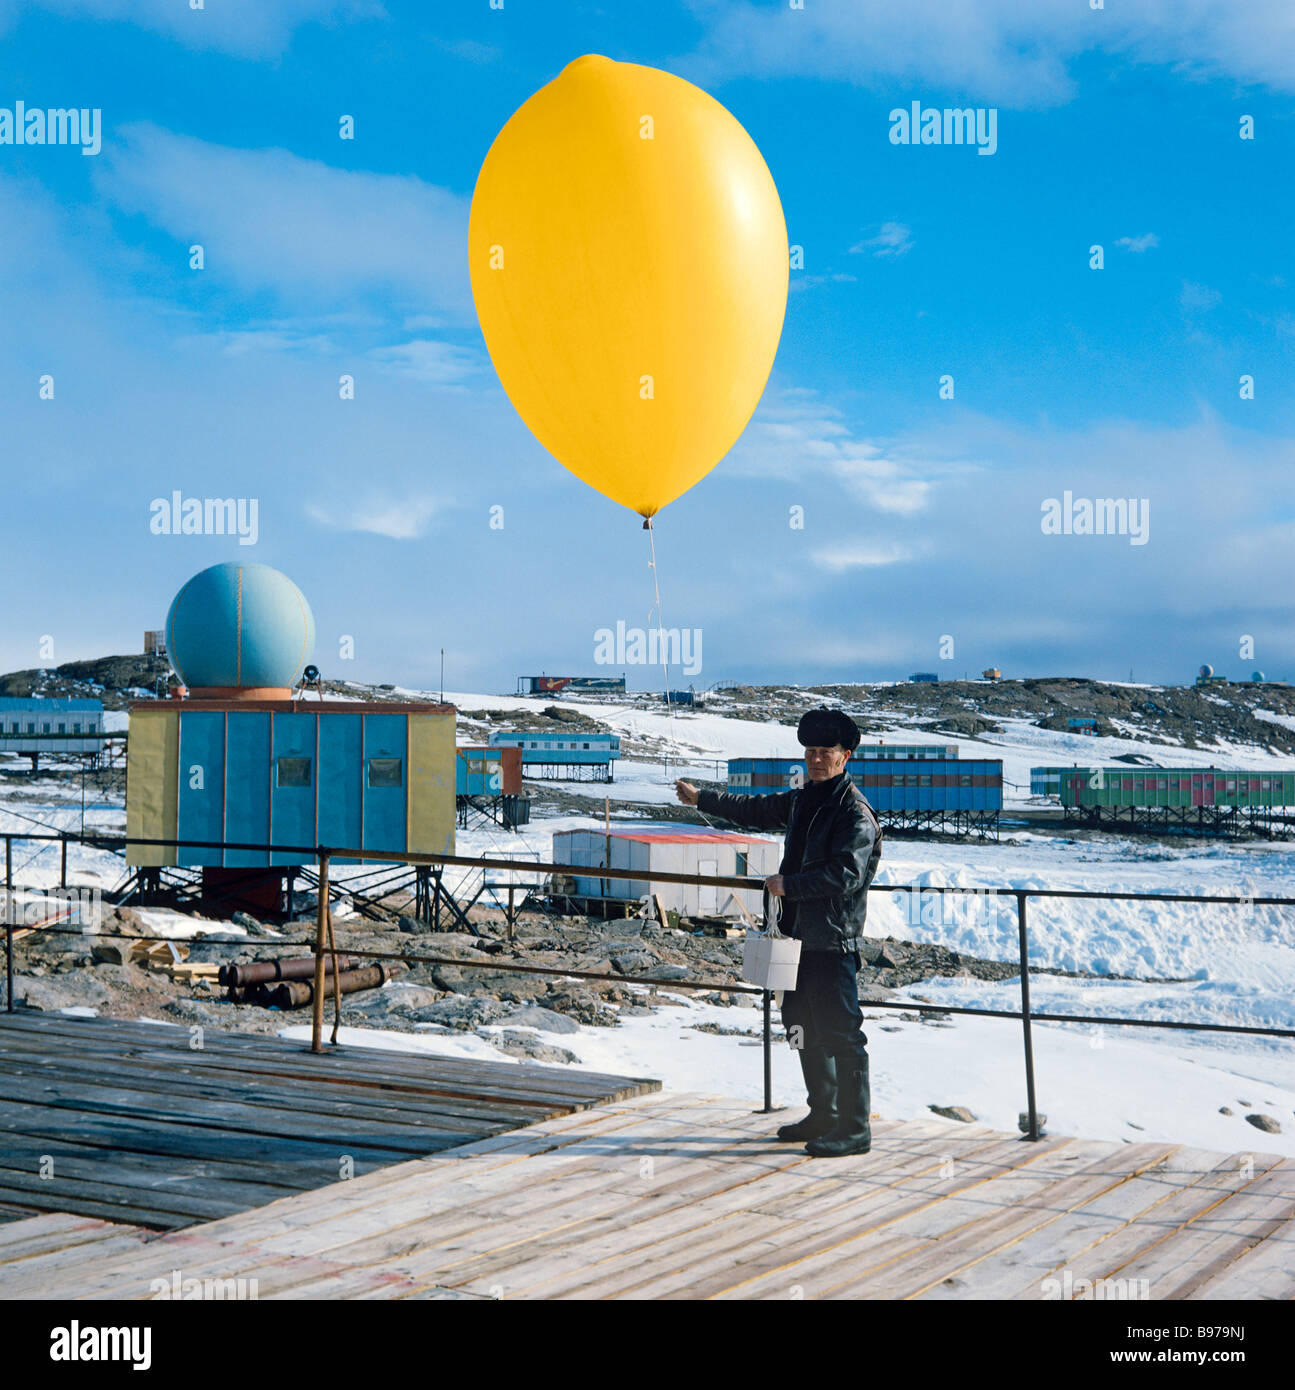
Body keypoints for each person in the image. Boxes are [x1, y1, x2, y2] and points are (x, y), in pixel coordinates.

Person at [676, 707, 881, 1157]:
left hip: (832, 940)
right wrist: (701, 800)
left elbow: (846, 874)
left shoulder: (855, 811)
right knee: (801, 1026)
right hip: (796, 938)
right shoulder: (803, 798)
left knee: (843, 1033)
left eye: (826, 752)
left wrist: (789, 885)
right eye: (810, 751)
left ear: (845, 757)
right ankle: (823, 1112)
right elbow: (754, 809)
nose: (816, 759)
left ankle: (854, 1128)